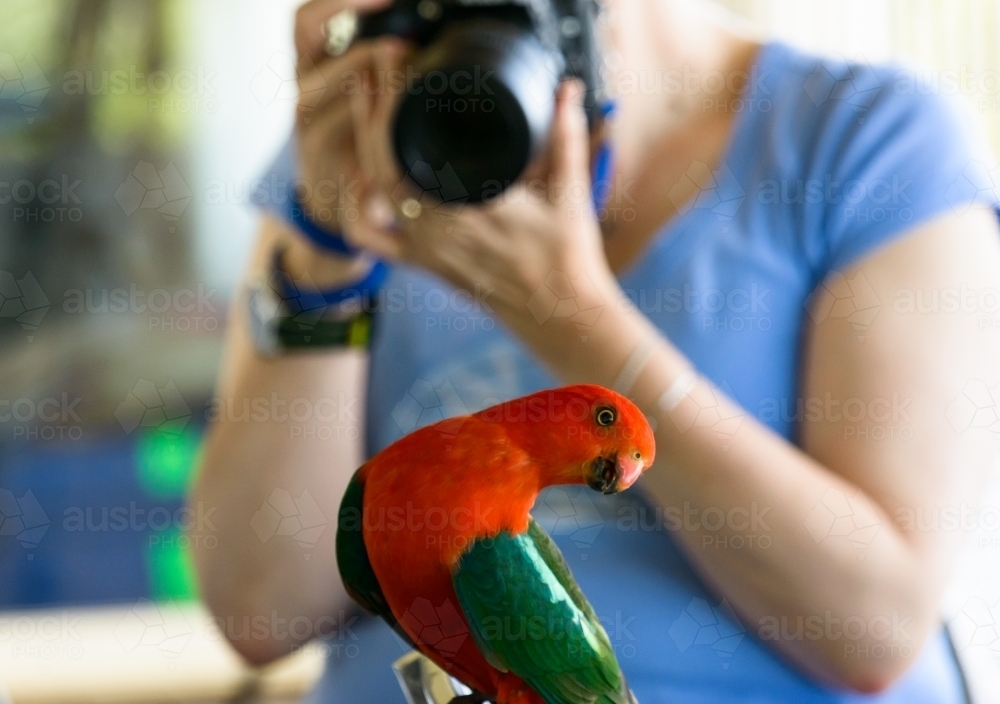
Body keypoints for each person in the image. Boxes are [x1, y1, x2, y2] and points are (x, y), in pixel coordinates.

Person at [190, 0, 1000, 701]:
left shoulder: (867, 139)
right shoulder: (375, 142)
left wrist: (571, 317)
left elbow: (874, 627)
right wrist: (320, 263)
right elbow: (261, 608)